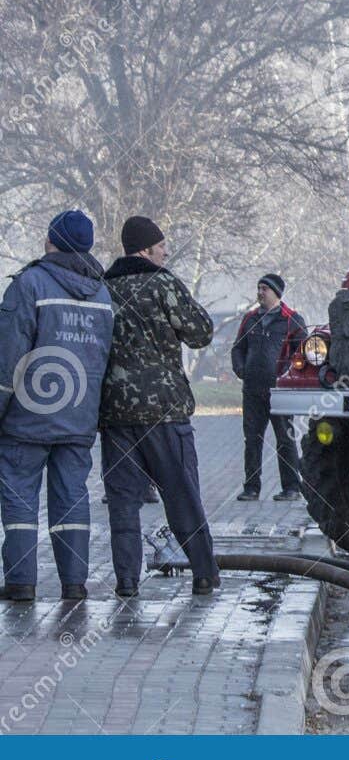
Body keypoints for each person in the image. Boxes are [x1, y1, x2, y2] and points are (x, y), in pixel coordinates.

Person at [99, 216, 221, 598]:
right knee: (181, 493)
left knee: (123, 503)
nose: (166, 251)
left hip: (116, 415)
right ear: (145, 249)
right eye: (161, 246)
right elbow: (201, 332)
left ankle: (126, 582)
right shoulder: (163, 283)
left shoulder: (103, 289)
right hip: (164, 413)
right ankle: (203, 573)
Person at [0, 211, 115, 602]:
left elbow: (8, 358)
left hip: (26, 420)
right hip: (78, 418)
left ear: (51, 242)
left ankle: (21, 584)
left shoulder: (29, 284)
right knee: (71, 499)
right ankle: (74, 584)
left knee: (18, 501)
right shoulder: (102, 294)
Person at [230, 273, 307, 501]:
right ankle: (251, 488)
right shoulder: (250, 319)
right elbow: (237, 349)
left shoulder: (292, 319)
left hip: (280, 392)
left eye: (265, 289)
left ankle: (292, 488)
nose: (260, 292)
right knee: (252, 439)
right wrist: (241, 370)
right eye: (259, 288)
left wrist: (287, 376)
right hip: (252, 390)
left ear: (276, 293)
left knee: (285, 439)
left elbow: (303, 352)